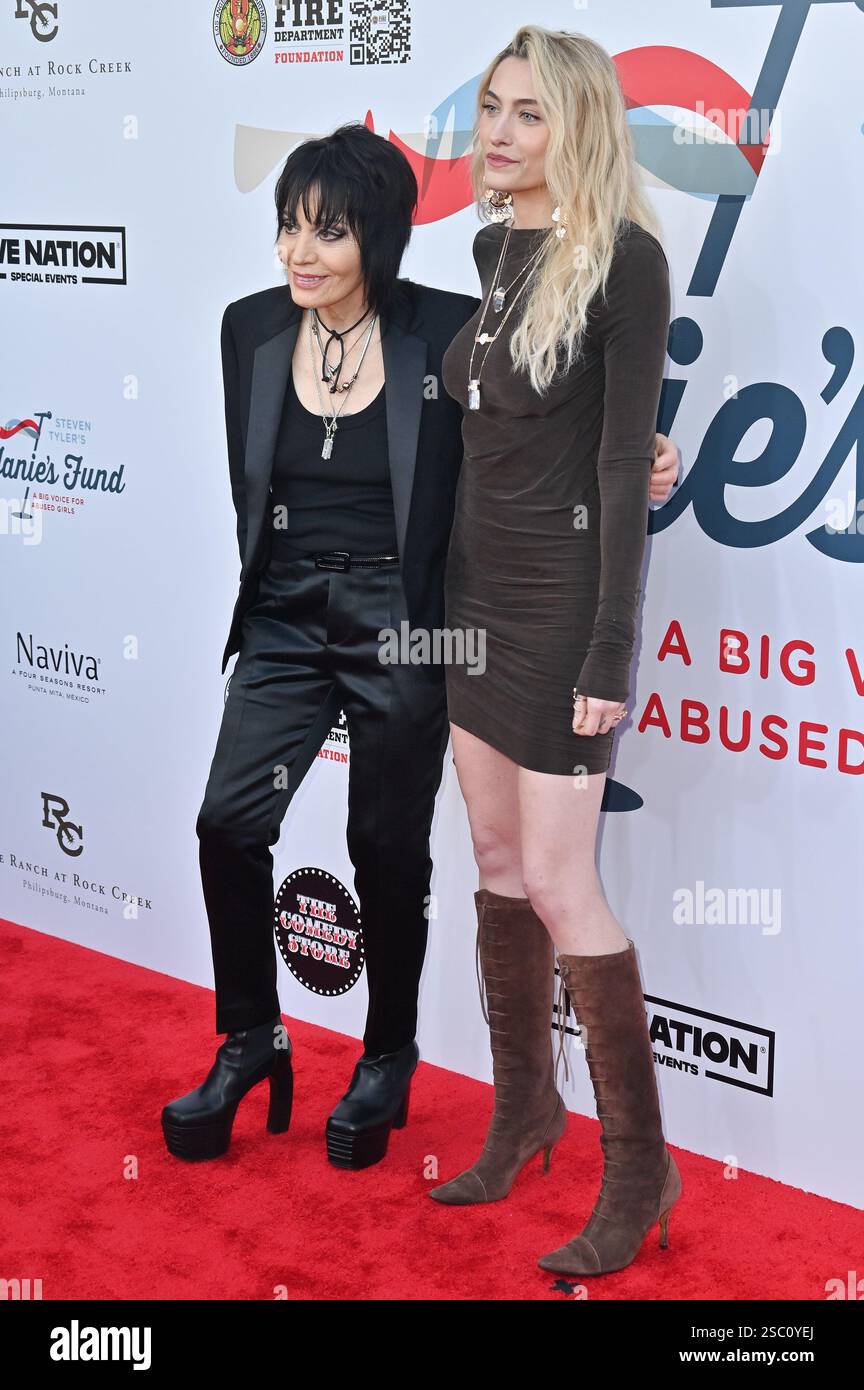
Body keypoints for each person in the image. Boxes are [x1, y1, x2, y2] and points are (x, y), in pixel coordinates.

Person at [161, 120, 680, 1174]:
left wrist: (642, 451)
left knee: (388, 849)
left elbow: (539, 416)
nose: (299, 254)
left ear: (383, 239)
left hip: (407, 621)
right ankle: (251, 1035)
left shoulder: (443, 332)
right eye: (289, 229)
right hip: (284, 620)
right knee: (227, 821)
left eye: (330, 233)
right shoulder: (248, 330)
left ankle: (386, 1053)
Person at [429, 26, 681, 1279]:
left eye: (529, 114)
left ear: (576, 126)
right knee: (490, 857)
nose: (499, 132)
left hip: (564, 615)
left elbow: (620, 469)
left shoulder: (628, 265)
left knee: (563, 879)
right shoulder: (488, 251)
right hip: (472, 609)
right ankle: (526, 1107)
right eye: (489, 108)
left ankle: (640, 1169)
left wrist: (608, 656)